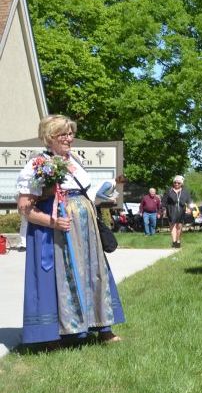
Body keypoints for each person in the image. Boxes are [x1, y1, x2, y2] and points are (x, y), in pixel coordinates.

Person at [16, 114, 125, 345]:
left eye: (70, 133)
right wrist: (52, 222)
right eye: (63, 134)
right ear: (49, 137)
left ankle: (102, 327)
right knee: (67, 276)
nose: (69, 138)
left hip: (86, 230)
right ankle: (72, 332)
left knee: (94, 273)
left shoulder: (73, 160)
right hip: (59, 231)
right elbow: (24, 208)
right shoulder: (37, 165)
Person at [164, 175, 192, 249]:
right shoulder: (169, 190)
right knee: (172, 226)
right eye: (175, 182)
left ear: (182, 184)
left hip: (181, 210)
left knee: (179, 226)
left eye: (178, 183)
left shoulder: (185, 192)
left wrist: (190, 208)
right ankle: (174, 242)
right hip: (171, 209)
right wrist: (163, 209)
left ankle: (178, 240)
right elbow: (164, 201)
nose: (176, 184)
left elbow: (189, 201)